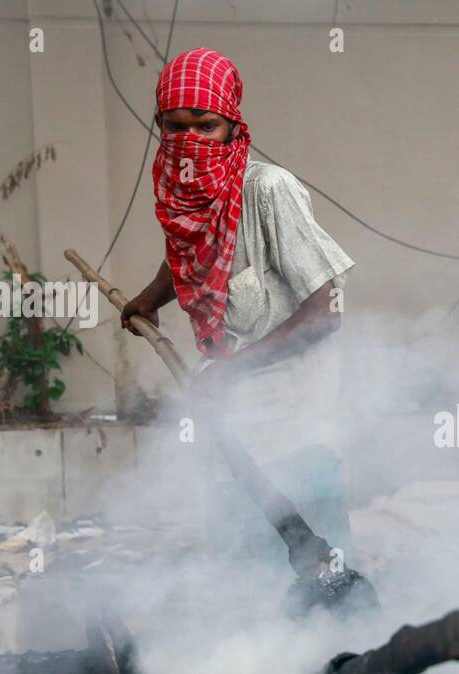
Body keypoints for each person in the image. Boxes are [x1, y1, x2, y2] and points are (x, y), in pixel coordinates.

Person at [121, 48, 356, 570]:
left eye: (206, 126)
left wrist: (230, 371)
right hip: (234, 420)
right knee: (244, 569)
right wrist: (149, 299)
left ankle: (345, 650)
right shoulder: (182, 189)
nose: (191, 142)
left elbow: (325, 312)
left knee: (320, 573)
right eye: (175, 127)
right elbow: (188, 254)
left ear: (232, 124)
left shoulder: (269, 190)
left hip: (297, 421)